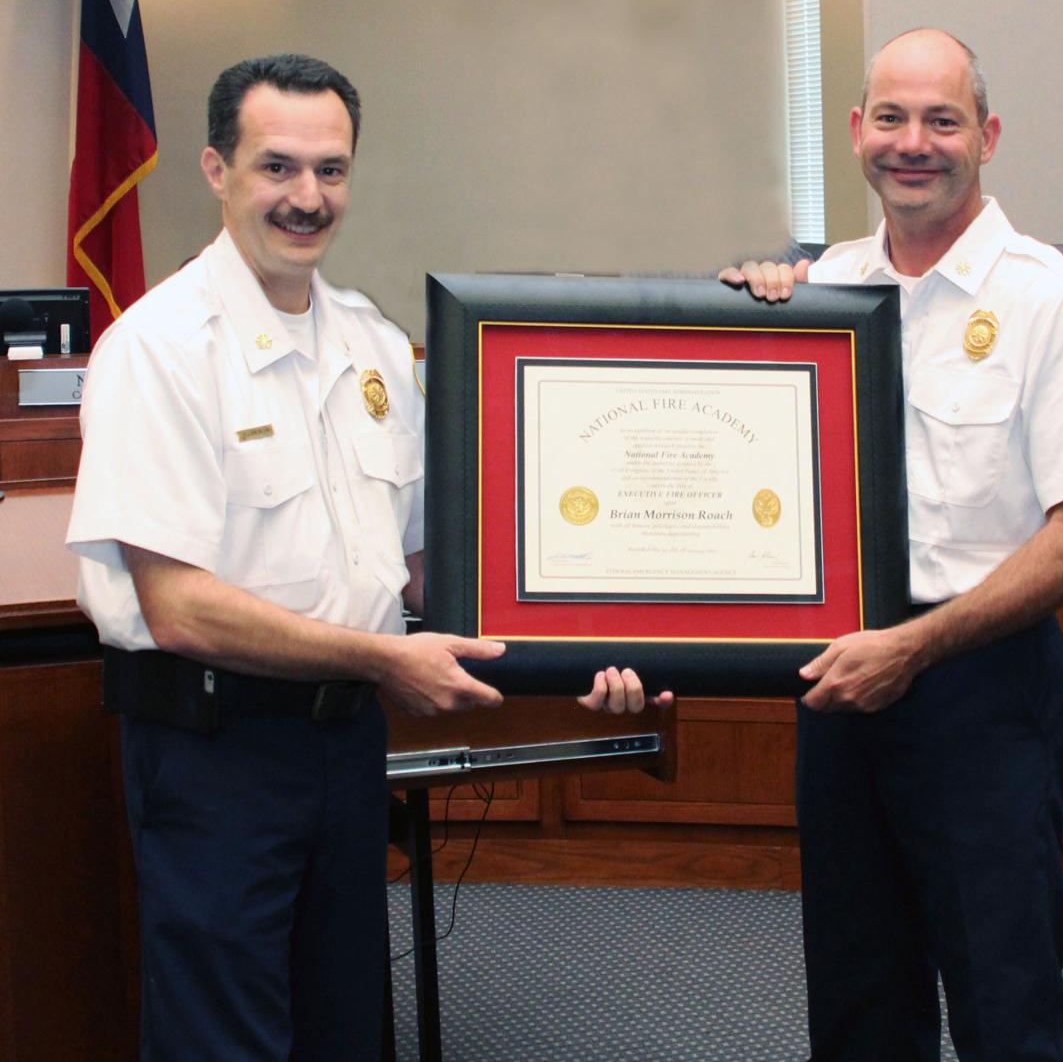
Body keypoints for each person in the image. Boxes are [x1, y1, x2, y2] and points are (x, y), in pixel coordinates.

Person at [67, 53, 669, 1062]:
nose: (308, 198)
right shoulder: (160, 349)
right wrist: (384, 661)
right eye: (278, 168)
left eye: (332, 170)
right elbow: (176, 606)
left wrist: (611, 648)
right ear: (217, 170)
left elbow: (436, 572)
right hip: (215, 753)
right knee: (225, 1037)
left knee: (343, 1027)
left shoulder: (376, 347)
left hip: (344, 750)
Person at [721, 28, 1063, 1061]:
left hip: (980, 693)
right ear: (855, 132)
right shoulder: (820, 287)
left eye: (942, 119)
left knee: (1004, 1000)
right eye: (891, 117)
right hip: (837, 683)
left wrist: (915, 650)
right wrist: (740, 321)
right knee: (858, 998)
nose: (912, 142)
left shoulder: (1051, 299)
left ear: (988, 136)